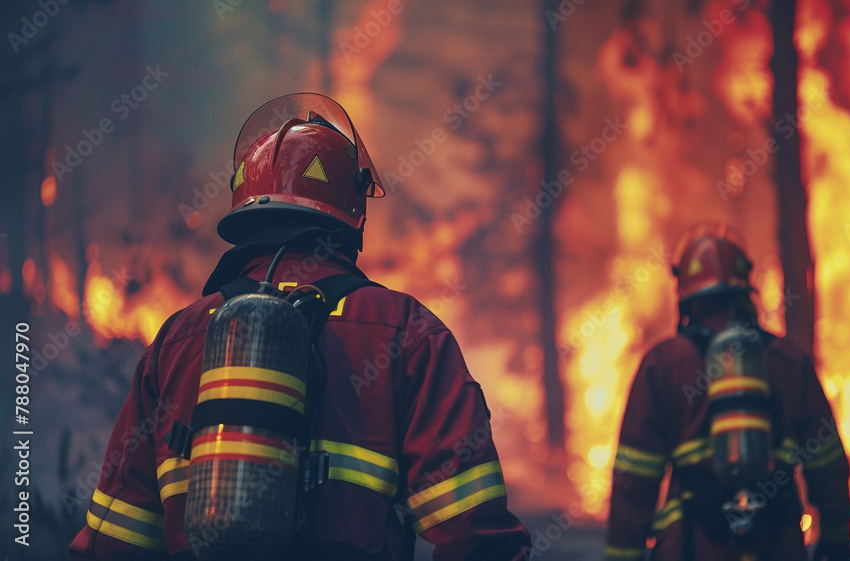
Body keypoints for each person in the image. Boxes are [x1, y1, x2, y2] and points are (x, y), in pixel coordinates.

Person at [69, 93, 531, 561]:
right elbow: (474, 534)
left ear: (244, 211)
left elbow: (114, 539)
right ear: (352, 217)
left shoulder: (178, 338)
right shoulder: (406, 333)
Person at [605, 224, 850, 561]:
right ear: (745, 291)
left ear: (686, 295)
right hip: (777, 543)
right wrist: (837, 540)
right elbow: (828, 465)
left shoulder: (662, 364)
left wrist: (623, 554)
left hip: (692, 546)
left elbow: (634, 479)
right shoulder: (789, 361)